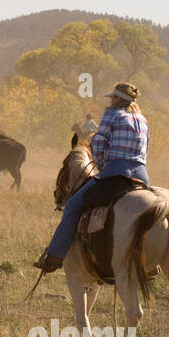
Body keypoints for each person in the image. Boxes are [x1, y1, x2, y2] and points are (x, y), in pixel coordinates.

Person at [33, 82, 149, 274]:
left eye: (113, 97)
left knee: (72, 206)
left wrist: (102, 165)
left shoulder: (112, 115)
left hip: (115, 172)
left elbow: (98, 144)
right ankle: (149, 263)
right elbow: (146, 150)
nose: (110, 100)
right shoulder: (143, 120)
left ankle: (54, 256)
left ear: (118, 99)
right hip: (141, 175)